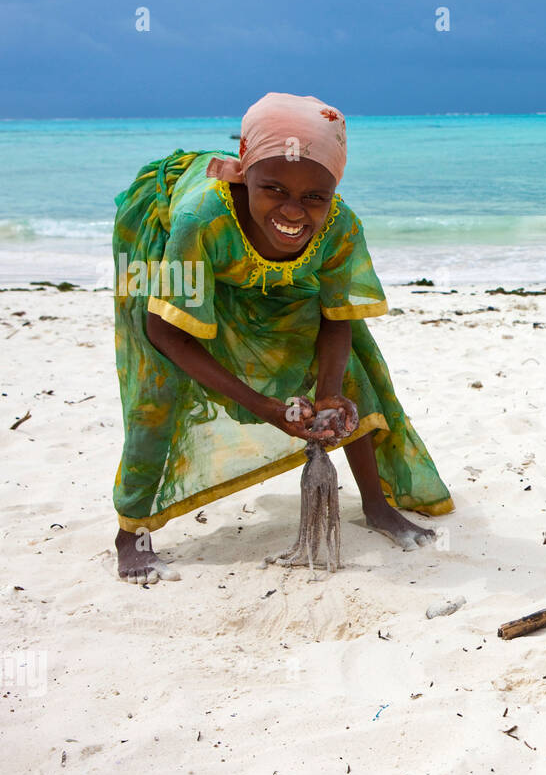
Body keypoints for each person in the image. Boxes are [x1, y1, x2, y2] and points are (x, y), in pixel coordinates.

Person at [112, 92, 453, 584]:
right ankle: (131, 536)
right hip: (179, 258)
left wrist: (330, 392)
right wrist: (264, 407)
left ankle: (376, 508)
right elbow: (162, 330)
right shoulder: (200, 219)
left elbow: (338, 315)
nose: (294, 211)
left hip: (272, 277)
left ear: (332, 190)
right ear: (245, 175)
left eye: (314, 196)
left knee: (352, 371)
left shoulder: (340, 228)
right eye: (273, 189)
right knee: (156, 397)